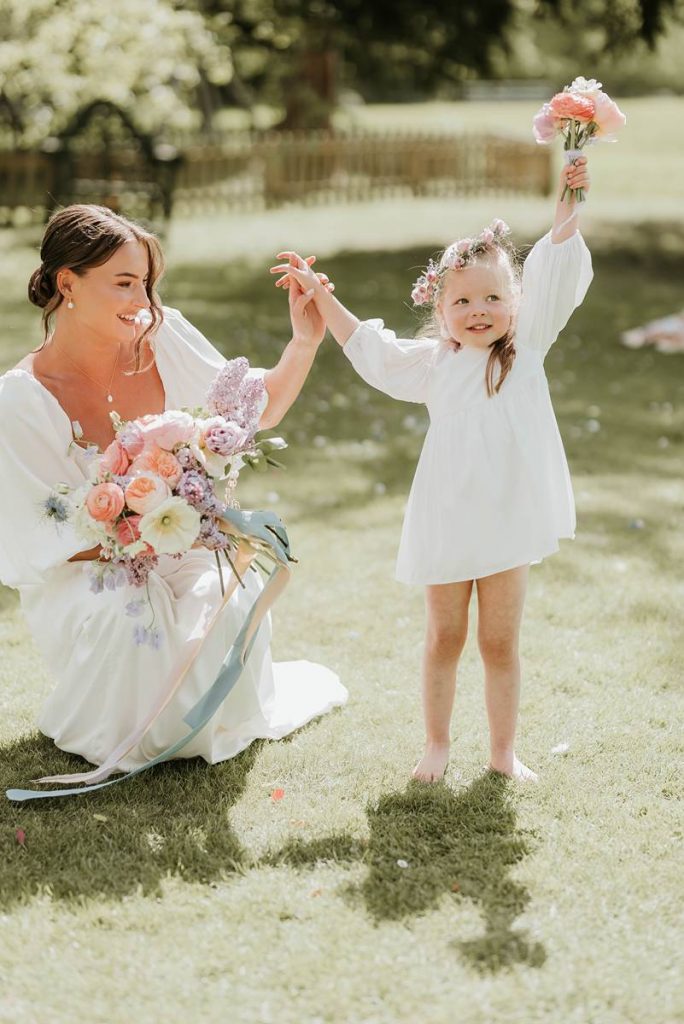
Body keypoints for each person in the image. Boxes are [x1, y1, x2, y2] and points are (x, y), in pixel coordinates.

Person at [271, 157, 593, 783]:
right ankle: (437, 744)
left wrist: (570, 195)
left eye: (493, 297)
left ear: (516, 304)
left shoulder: (528, 347)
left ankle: (503, 752)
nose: (479, 310)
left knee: (499, 642)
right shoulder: (433, 365)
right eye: (462, 300)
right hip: (448, 516)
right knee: (445, 637)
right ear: (440, 310)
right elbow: (370, 348)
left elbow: (556, 259)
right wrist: (321, 295)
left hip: (509, 518)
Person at [0, 204, 347, 779]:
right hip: (89, 571)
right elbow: (40, 534)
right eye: (124, 283)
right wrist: (146, 527)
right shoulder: (20, 399)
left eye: (146, 282)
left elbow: (253, 413)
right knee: (130, 612)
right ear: (68, 284)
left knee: (226, 592)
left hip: (181, 546)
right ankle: (131, 727)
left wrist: (304, 342)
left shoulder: (165, 336)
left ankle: (195, 725)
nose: (142, 299)